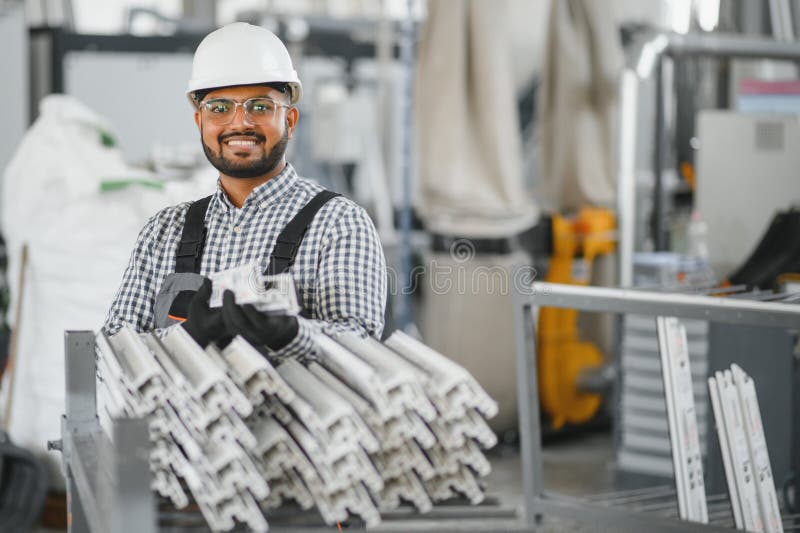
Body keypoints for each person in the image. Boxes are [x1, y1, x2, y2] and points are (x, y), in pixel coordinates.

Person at [103, 22, 386, 359]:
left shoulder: (338, 224)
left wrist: (293, 333)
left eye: (260, 106)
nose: (240, 123)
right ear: (200, 123)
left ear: (290, 121)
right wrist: (184, 338)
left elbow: (361, 347)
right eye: (220, 108)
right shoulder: (163, 233)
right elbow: (112, 354)